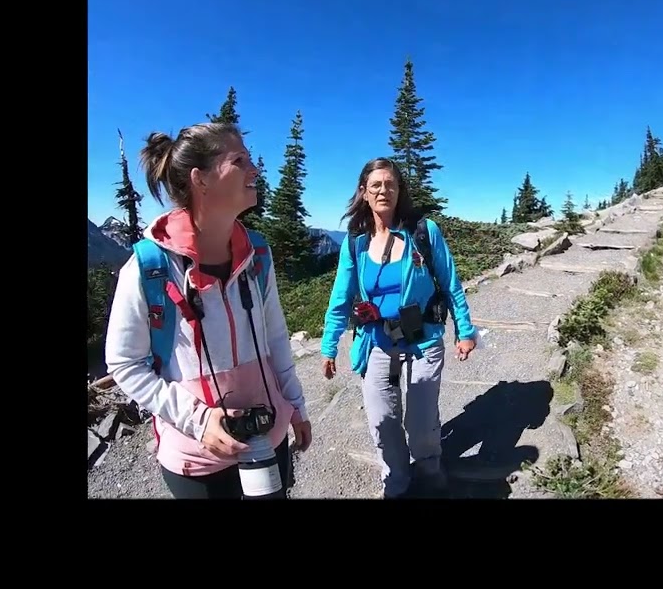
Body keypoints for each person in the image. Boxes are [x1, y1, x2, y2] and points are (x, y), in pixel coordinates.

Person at [104, 122, 312, 499]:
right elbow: (123, 363)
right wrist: (199, 422)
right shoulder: (149, 266)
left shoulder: (257, 254)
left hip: (268, 437)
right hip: (196, 458)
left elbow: (276, 338)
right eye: (239, 161)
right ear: (201, 180)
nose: (255, 170)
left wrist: (295, 405)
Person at [320, 157, 479, 499]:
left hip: (423, 339)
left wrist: (464, 330)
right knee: (382, 419)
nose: (383, 191)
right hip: (377, 341)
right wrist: (329, 344)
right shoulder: (356, 241)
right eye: (375, 185)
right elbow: (341, 294)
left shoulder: (423, 231)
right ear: (363, 192)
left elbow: (451, 282)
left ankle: (429, 469)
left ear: (399, 191)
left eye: (390, 184)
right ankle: (396, 482)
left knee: (420, 422)